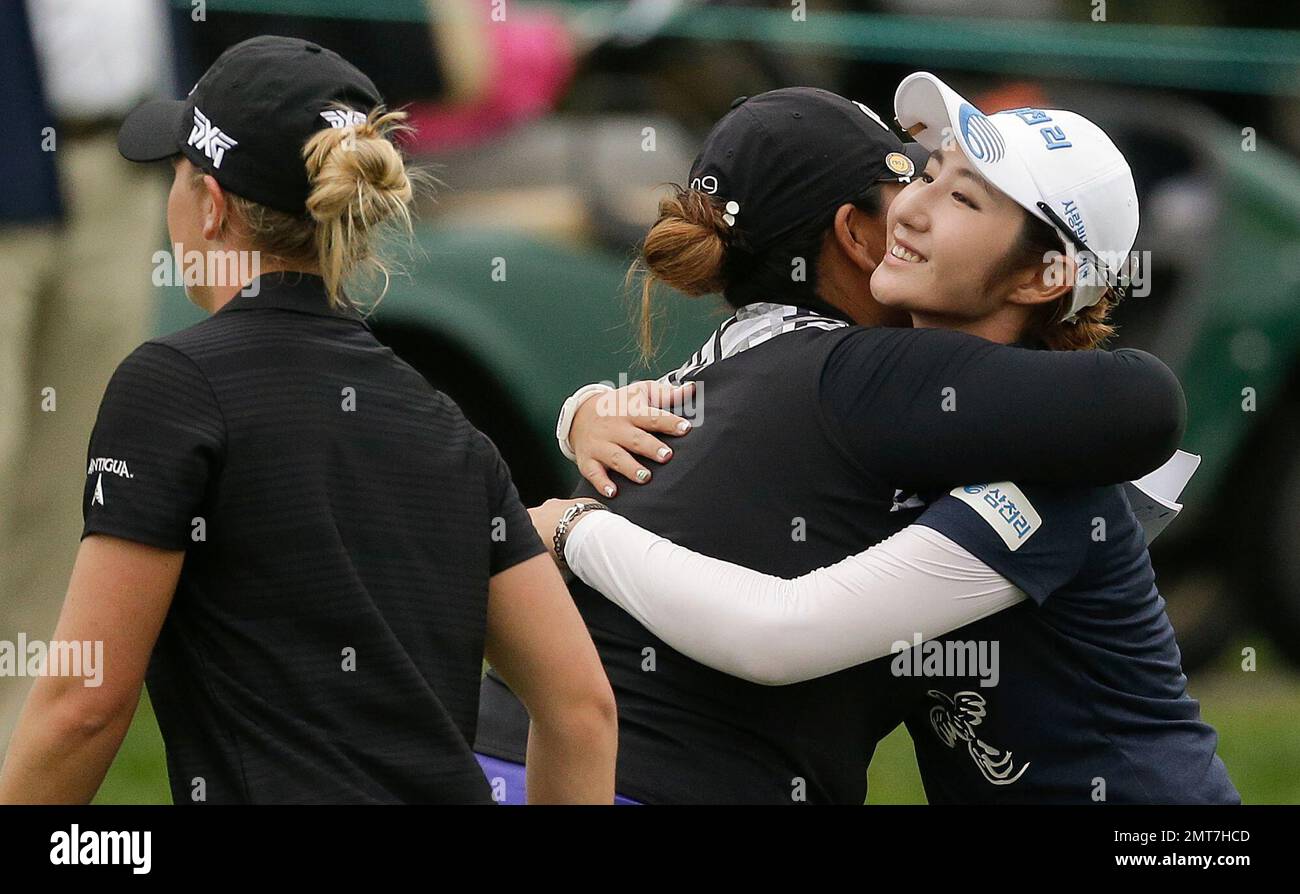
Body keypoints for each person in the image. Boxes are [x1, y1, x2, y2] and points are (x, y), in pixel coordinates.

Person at [532, 73, 1238, 804]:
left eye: (964, 200)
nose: (911, 210)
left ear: (1040, 278)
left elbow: (780, 635)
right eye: (928, 176)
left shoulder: (1049, 463)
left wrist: (576, 528)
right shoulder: (912, 413)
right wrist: (585, 412)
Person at [0, 35, 615, 806]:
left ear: (211, 205)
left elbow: (84, 707)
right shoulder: (450, 428)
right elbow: (582, 711)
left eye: (176, 173)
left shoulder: (171, 388)